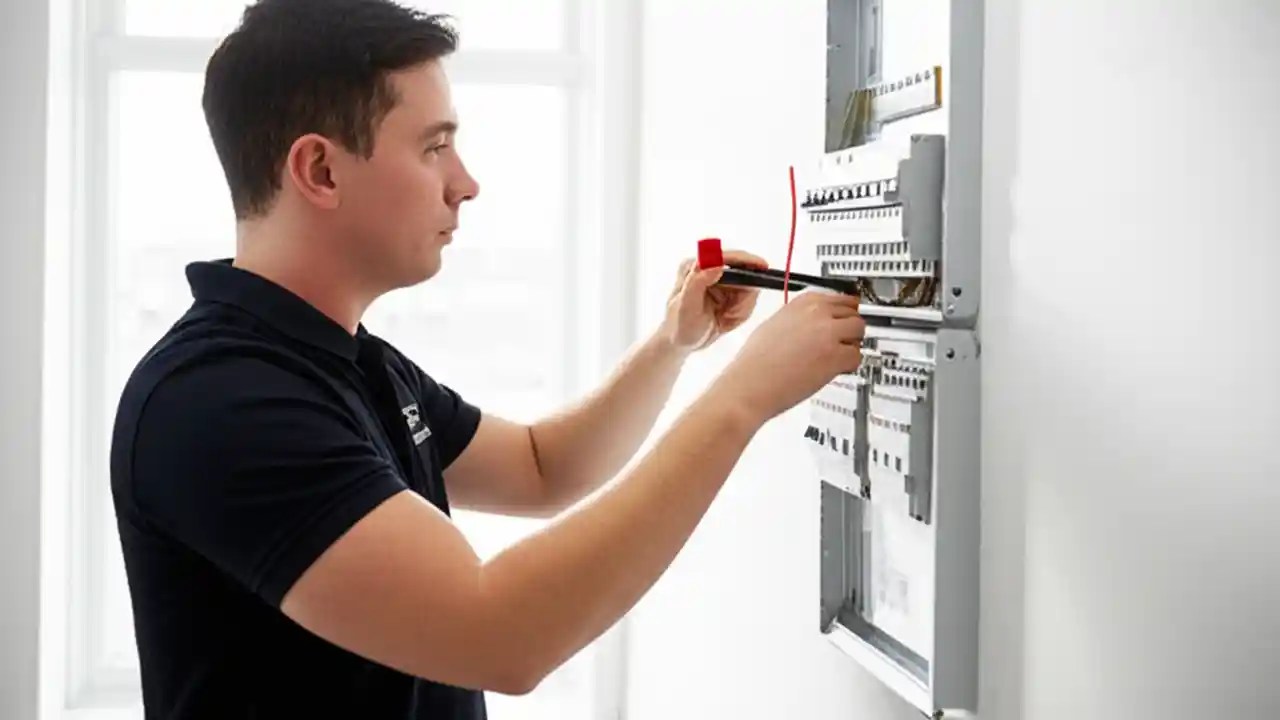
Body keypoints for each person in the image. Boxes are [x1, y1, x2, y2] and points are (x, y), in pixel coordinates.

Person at [109, 0, 866, 718]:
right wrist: (741, 401)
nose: (465, 184)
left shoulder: (352, 365)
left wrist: (675, 344)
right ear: (321, 171)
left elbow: (543, 468)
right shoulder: (220, 403)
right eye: (434, 146)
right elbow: (501, 634)